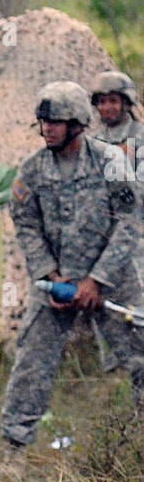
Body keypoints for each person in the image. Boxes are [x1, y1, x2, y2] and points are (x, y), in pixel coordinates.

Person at [0, 81, 144, 467]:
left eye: (56, 122)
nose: (48, 129)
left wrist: (96, 279)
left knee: (141, 358)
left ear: (78, 124)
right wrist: (48, 272)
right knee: (31, 364)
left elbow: (130, 222)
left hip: (112, 279)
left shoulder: (111, 163)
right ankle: (12, 456)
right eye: (43, 122)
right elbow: (25, 223)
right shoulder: (31, 170)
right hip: (56, 283)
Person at [87, 71, 144, 372]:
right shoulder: (92, 142)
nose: (108, 108)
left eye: (114, 101)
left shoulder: (139, 138)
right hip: (105, 238)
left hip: (137, 236)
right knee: (108, 309)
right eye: (103, 102)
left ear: (126, 103)